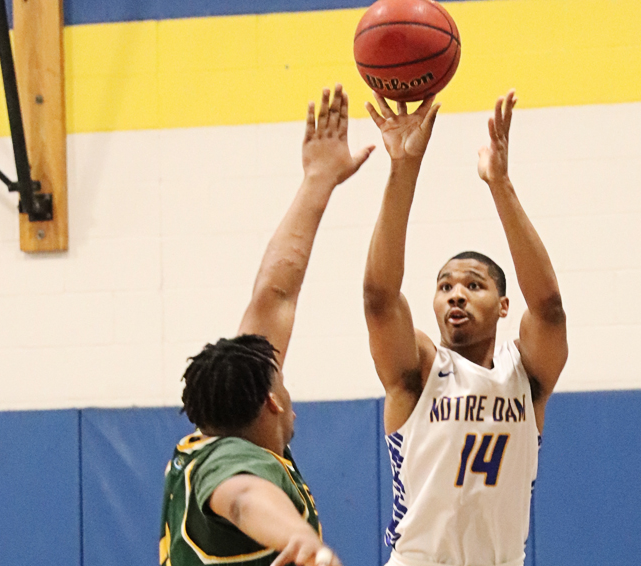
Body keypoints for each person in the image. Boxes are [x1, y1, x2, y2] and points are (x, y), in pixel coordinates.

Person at [159, 84, 374, 566]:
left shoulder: (200, 443)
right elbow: (243, 497)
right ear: (272, 401)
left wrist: (318, 180)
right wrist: (302, 539)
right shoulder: (230, 459)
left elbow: (273, 296)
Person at [363, 89, 569, 566]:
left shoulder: (527, 376)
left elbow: (550, 309)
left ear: (501, 307)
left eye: (473, 285)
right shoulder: (417, 370)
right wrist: (403, 169)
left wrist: (500, 184)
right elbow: (378, 299)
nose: (455, 294)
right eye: (444, 286)